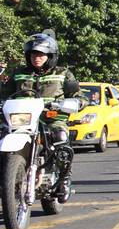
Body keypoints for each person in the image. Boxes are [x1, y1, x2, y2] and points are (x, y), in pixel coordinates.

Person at [4, 32, 78, 201]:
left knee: (61, 137)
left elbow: (77, 96)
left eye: (40, 54)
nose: (36, 58)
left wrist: (76, 103)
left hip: (51, 119)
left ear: (50, 56)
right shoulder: (18, 73)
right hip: (20, 121)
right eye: (32, 54)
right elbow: (4, 93)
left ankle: (64, 179)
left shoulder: (63, 74)